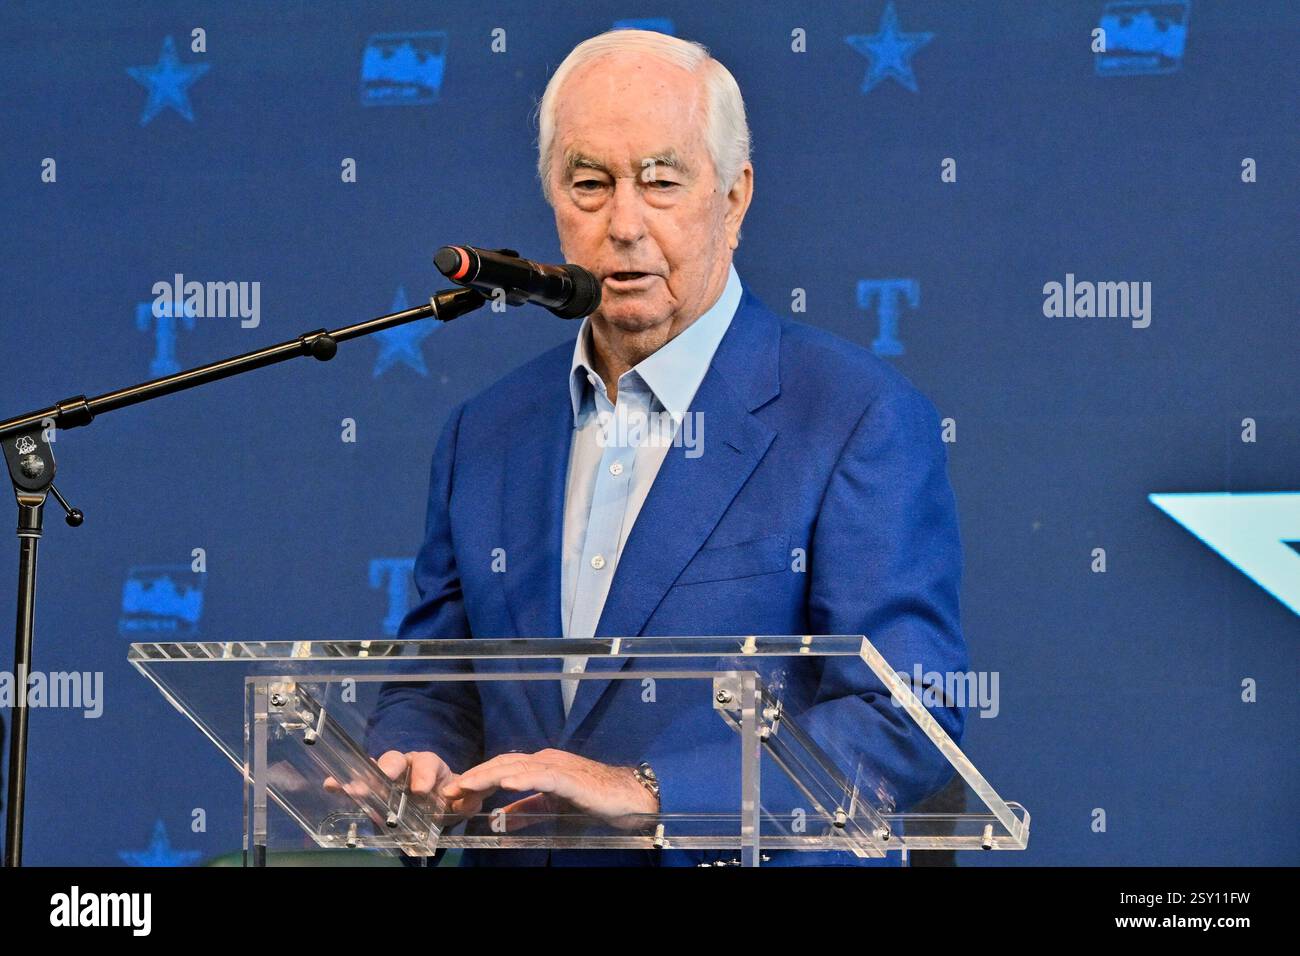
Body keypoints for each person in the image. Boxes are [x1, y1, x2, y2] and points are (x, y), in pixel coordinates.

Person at [363, 28, 968, 866]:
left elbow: (909, 712)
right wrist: (414, 760)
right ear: (551, 202)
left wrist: (653, 793)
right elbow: (439, 682)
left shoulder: (855, 417)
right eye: (589, 185)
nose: (624, 224)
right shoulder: (486, 432)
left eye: (660, 181)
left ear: (733, 197)